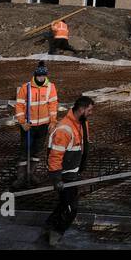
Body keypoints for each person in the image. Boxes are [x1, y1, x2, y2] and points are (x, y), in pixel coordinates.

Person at [44, 95, 94, 246]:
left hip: (73, 172)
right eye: (90, 110)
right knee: (71, 209)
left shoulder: (81, 123)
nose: (91, 113)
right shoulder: (64, 129)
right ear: (82, 109)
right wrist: (57, 179)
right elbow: (55, 156)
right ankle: (56, 233)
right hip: (64, 175)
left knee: (63, 203)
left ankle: (49, 225)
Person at [14, 63, 58, 188]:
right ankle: (21, 177)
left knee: (37, 151)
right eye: (39, 76)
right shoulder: (26, 88)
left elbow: (53, 105)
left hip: (43, 125)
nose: (41, 78)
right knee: (24, 151)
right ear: (35, 75)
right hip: (28, 126)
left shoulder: (50, 87)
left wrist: (53, 121)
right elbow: (19, 106)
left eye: (43, 75)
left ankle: (31, 173)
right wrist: (22, 122)